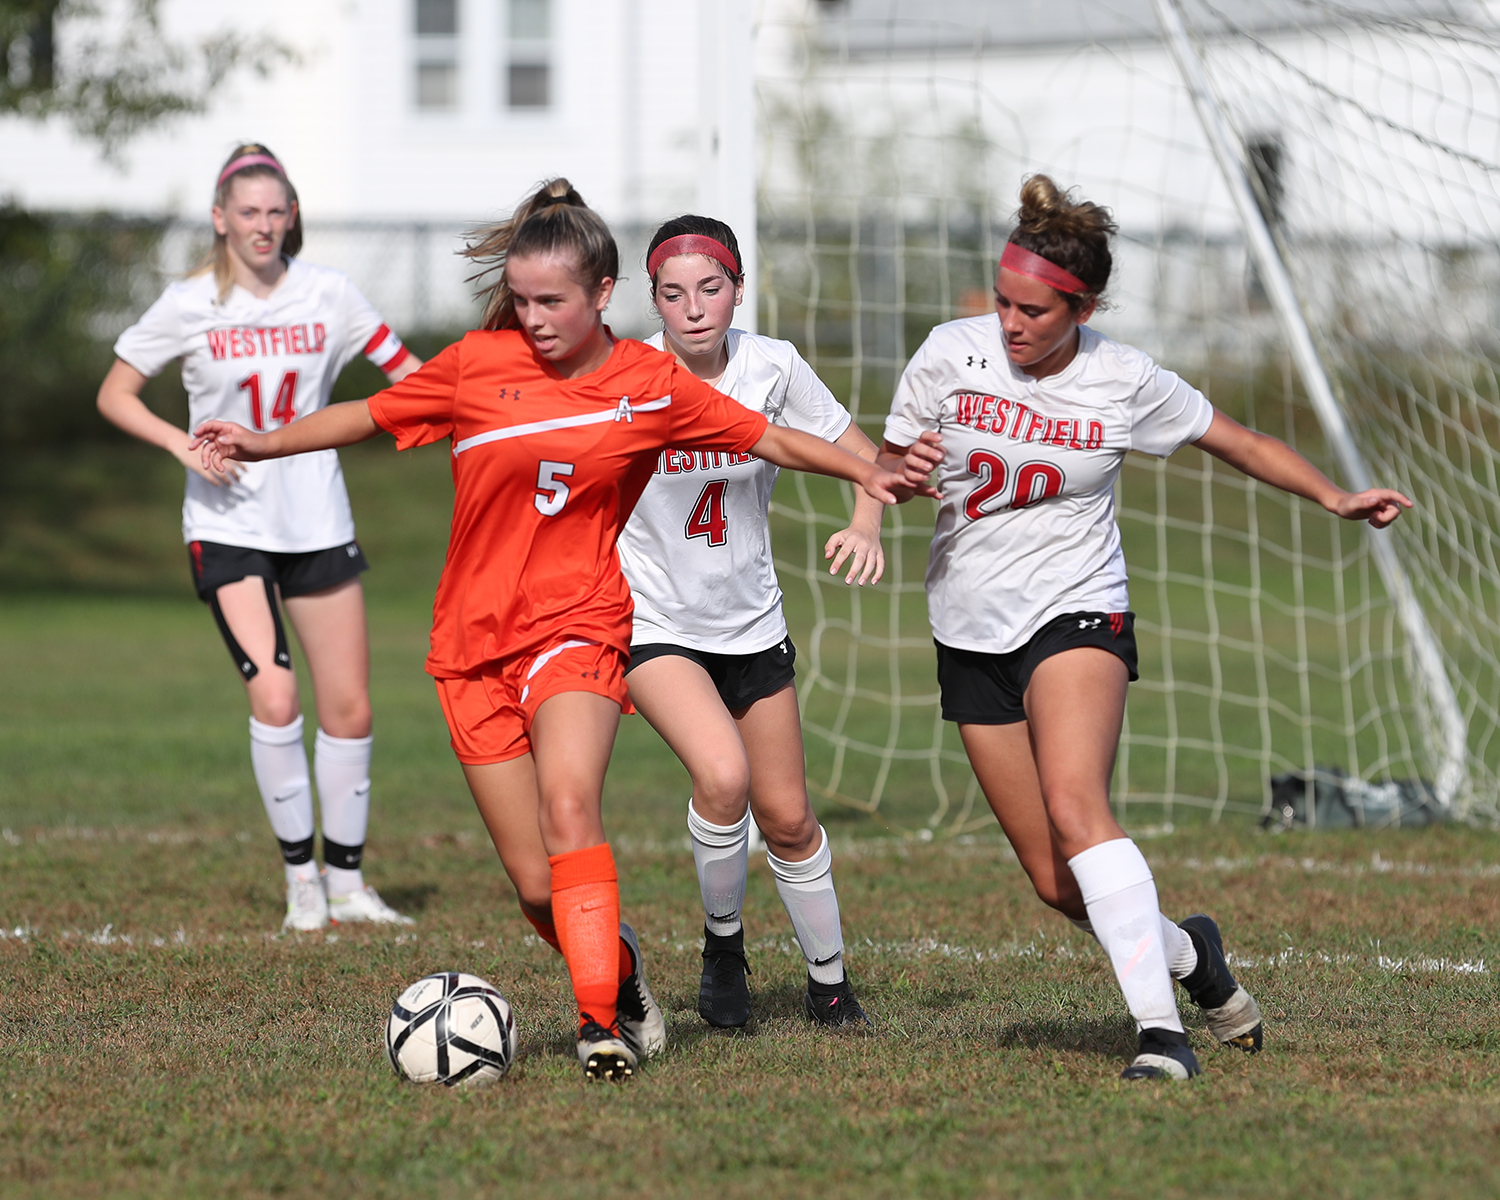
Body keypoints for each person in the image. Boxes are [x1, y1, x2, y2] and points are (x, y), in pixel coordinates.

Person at [192, 179, 912, 1081]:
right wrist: (264, 441)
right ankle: (624, 968)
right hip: (471, 646)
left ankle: (597, 1024)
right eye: (523, 300)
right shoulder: (476, 365)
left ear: (602, 294)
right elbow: (371, 415)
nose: (532, 319)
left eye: (552, 302)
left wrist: (866, 475)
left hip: (583, 627)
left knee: (573, 807)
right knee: (538, 885)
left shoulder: (647, 381)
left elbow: (766, 438)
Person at [883, 175, 1413, 1081]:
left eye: (1033, 311)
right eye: (1003, 302)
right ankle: (1194, 956)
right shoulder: (948, 353)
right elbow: (889, 465)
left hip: (1079, 609)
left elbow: (1238, 441)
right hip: (969, 628)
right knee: (1057, 882)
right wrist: (886, 490)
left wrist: (1334, 496)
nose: (1010, 323)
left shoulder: (1123, 377)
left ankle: (1162, 1037)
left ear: (1082, 309)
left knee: (1077, 807)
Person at [98, 144, 423, 932]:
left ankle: (347, 884)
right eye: (248, 211)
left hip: (318, 519)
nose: (264, 225)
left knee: (350, 709)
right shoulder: (187, 303)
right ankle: (302, 882)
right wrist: (181, 445)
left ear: (293, 216)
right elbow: (116, 393)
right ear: (221, 218)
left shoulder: (330, 293)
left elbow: (413, 379)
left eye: (277, 211)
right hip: (226, 522)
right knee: (276, 697)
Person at [617, 215, 881, 1030]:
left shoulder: (774, 365)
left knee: (790, 819)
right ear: (653, 300)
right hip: (656, 621)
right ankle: (723, 948)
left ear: (738, 289)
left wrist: (866, 522)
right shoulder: (624, 376)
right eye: (673, 293)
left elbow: (864, 459)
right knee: (722, 777)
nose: (693, 307)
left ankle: (828, 985)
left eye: (711, 287)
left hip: (752, 621)